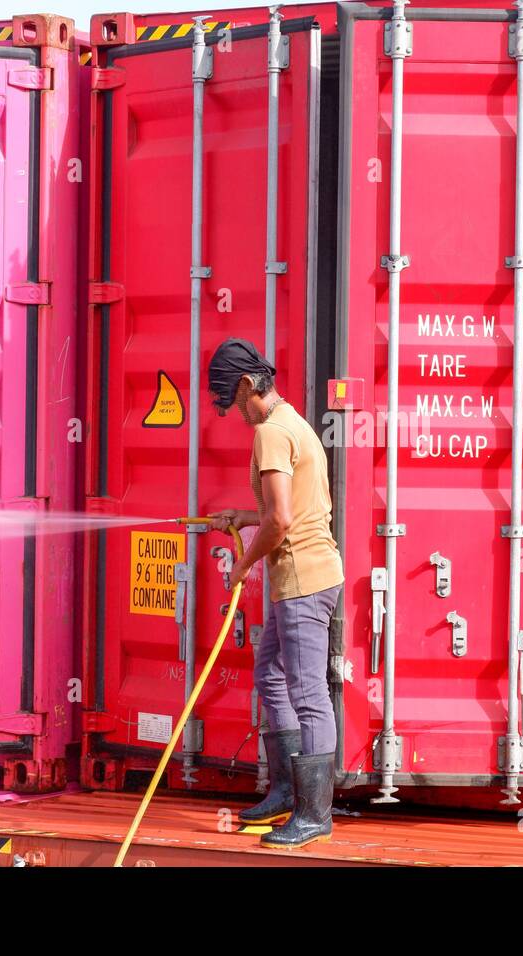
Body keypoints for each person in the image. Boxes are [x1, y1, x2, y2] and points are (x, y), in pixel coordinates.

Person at [206, 338, 343, 849]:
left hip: (303, 582)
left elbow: (282, 520)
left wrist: (241, 565)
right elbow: (286, 511)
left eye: (231, 401)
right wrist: (243, 517)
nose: (233, 412)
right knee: (270, 672)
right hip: (304, 579)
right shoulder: (291, 424)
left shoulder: (269, 431)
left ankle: (315, 814)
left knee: (309, 696)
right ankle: (287, 791)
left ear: (247, 387)